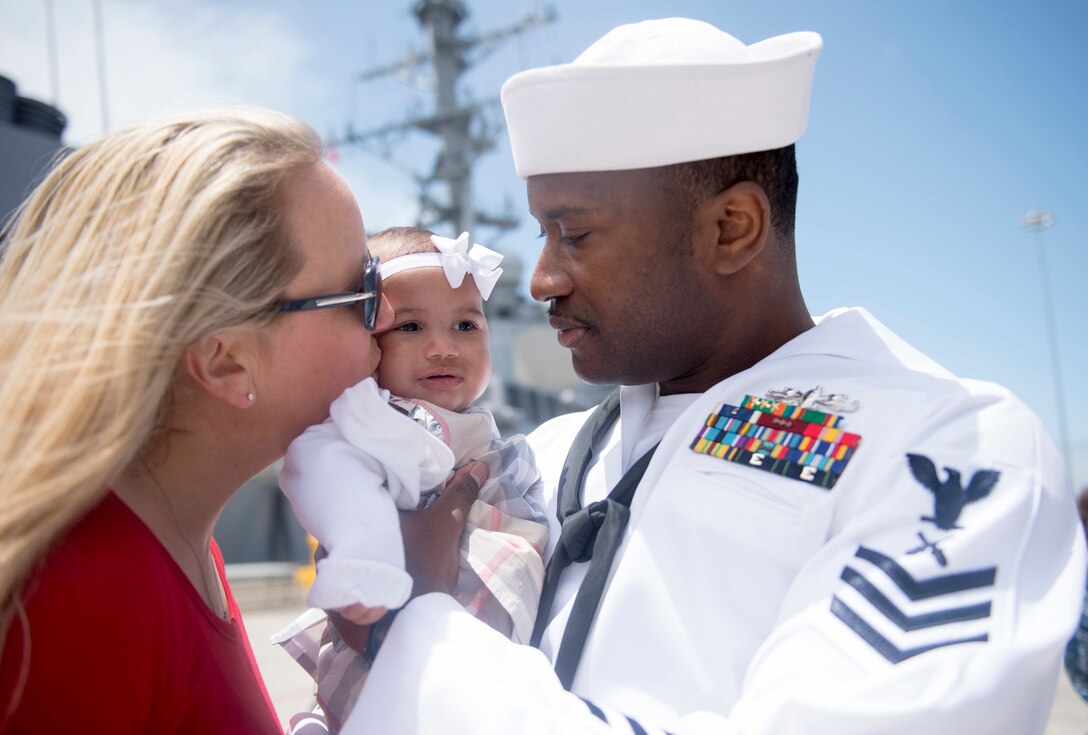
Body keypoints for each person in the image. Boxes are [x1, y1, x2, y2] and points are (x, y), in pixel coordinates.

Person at [338, 18, 1087, 735]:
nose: (541, 278)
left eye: (575, 233)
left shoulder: (947, 448)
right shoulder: (542, 455)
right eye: (541, 234)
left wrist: (418, 630)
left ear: (732, 228)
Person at [0, 109, 485, 733]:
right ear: (228, 361)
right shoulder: (72, 603)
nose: (389, 317)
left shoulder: (179, 548)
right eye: (363, 289)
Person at [275, 226, 548, 731]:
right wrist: (362, 558)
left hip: (483, 666)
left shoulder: (494, 434)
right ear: (367, 343)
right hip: (394, 655)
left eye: (466, 326)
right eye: (410, 328)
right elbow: (320, 460)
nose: (444, 348)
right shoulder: (376, 418)